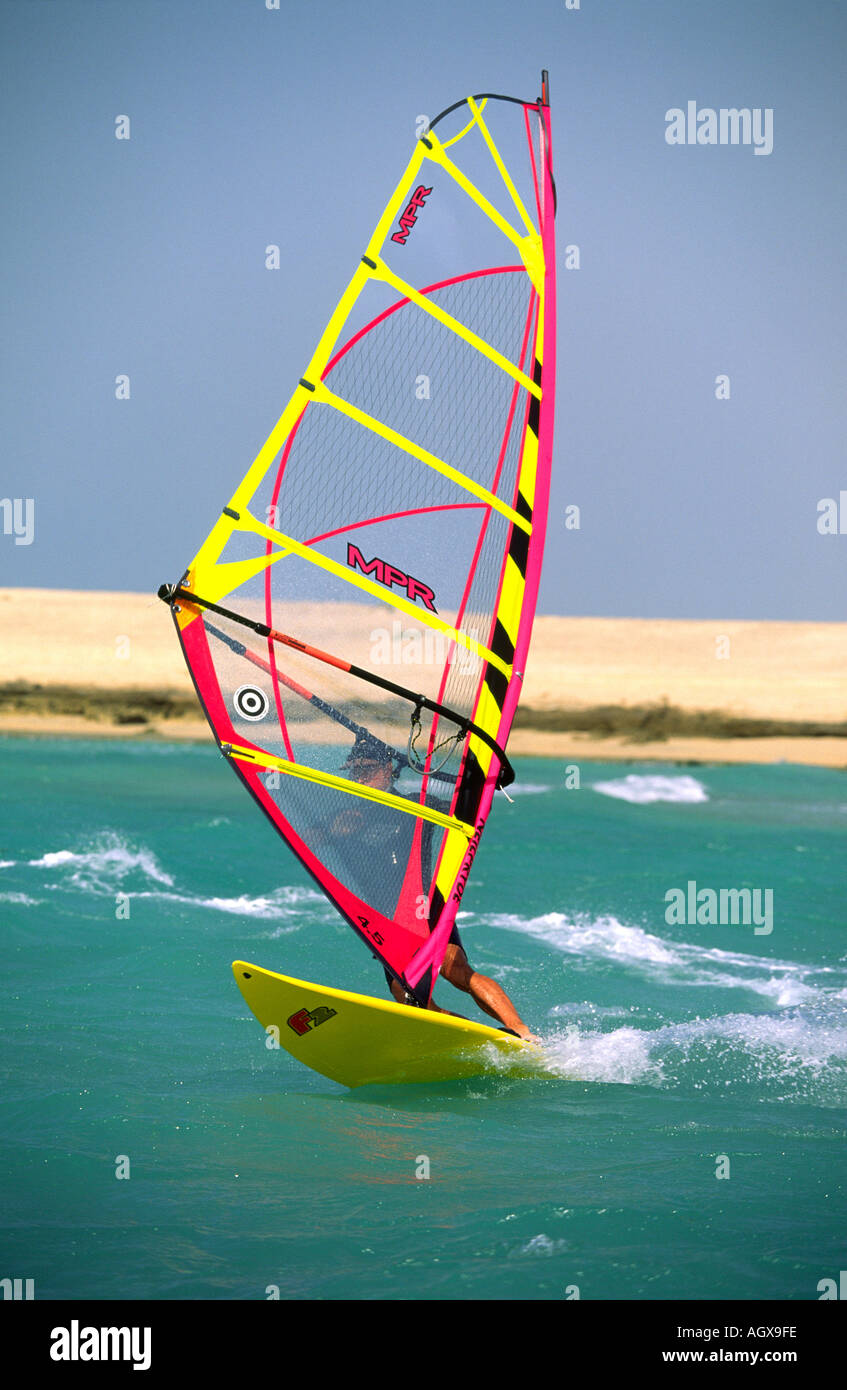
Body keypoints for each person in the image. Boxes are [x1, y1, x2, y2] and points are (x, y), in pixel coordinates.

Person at [342, 736, 539, 1043]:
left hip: (423, 905)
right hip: (386, 918)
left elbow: (465, 812)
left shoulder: (416, 804)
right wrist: (331, 830)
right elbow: (307, 833)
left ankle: (522, 1032)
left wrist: (482, 782)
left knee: (456, 971)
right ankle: (482, 1040)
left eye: (368, 769)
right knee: (409, 998)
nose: (361, 777)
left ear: (389, 769)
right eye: (355, 772)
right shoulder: (347, 817)